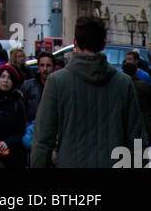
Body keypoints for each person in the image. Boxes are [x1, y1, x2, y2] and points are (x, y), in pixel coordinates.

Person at [31, 15, 146, 168]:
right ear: (104, 44)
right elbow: (137, 140)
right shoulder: (123, 83)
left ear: (74, 42)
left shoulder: (57, 82)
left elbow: (42, 140)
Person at [21, 50, 53, 122]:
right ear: (38, 67)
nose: (45, 69)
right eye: (42, 65)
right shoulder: (27, 86)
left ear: (53, 67)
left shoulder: (58, 87)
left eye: (48, 65)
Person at [122, 61, 151, 138]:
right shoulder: (145, 86)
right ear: (136, 71)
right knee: (137, 146)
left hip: (124, 123)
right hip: (141, 122)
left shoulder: (119, 86)